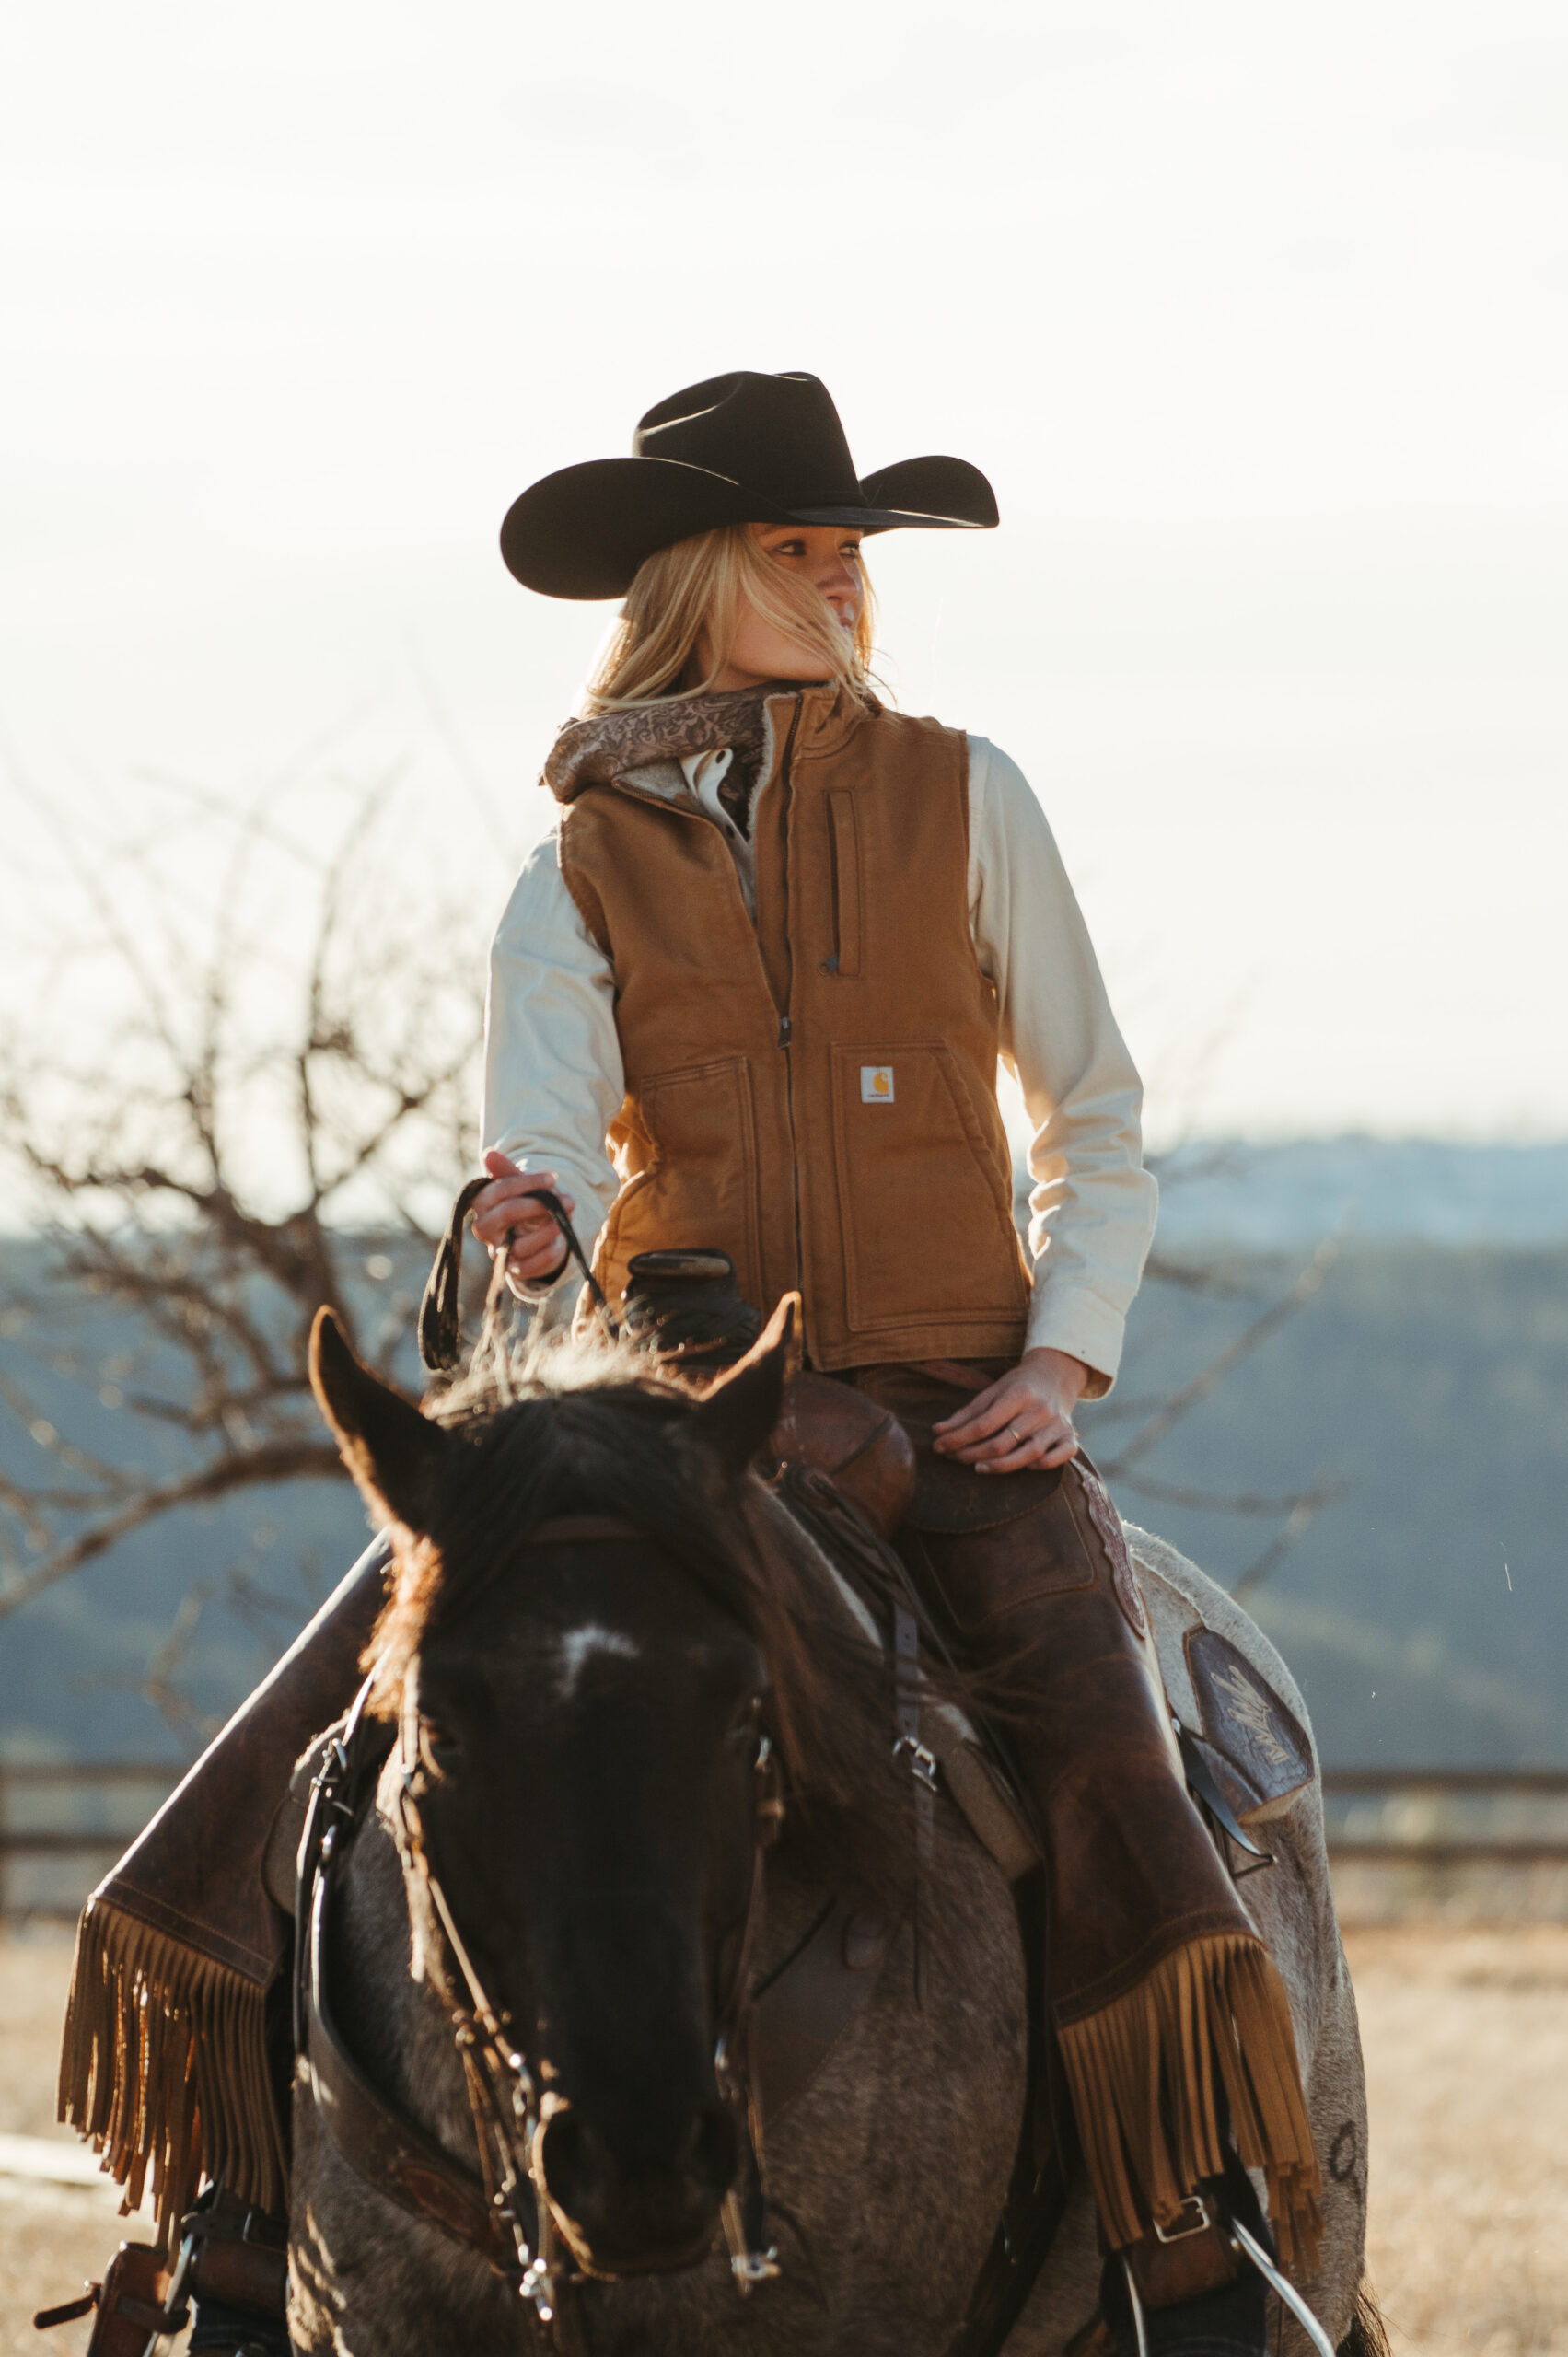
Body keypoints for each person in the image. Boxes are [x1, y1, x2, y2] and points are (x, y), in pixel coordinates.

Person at [472, 371, 1322, 2350]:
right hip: (683, 1404)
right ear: (702, 574)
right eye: (799, 546)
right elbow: (542, 1138)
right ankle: (244, 2201)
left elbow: (1095, 1115)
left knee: (1113, 1764)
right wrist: (524, 1217)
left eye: (852, 548)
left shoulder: (968, 790)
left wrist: (1063, 1362)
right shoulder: (573, 862)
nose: (844, 577)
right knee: (386, 1701)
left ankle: (1198, 2234)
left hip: (957, 1400)